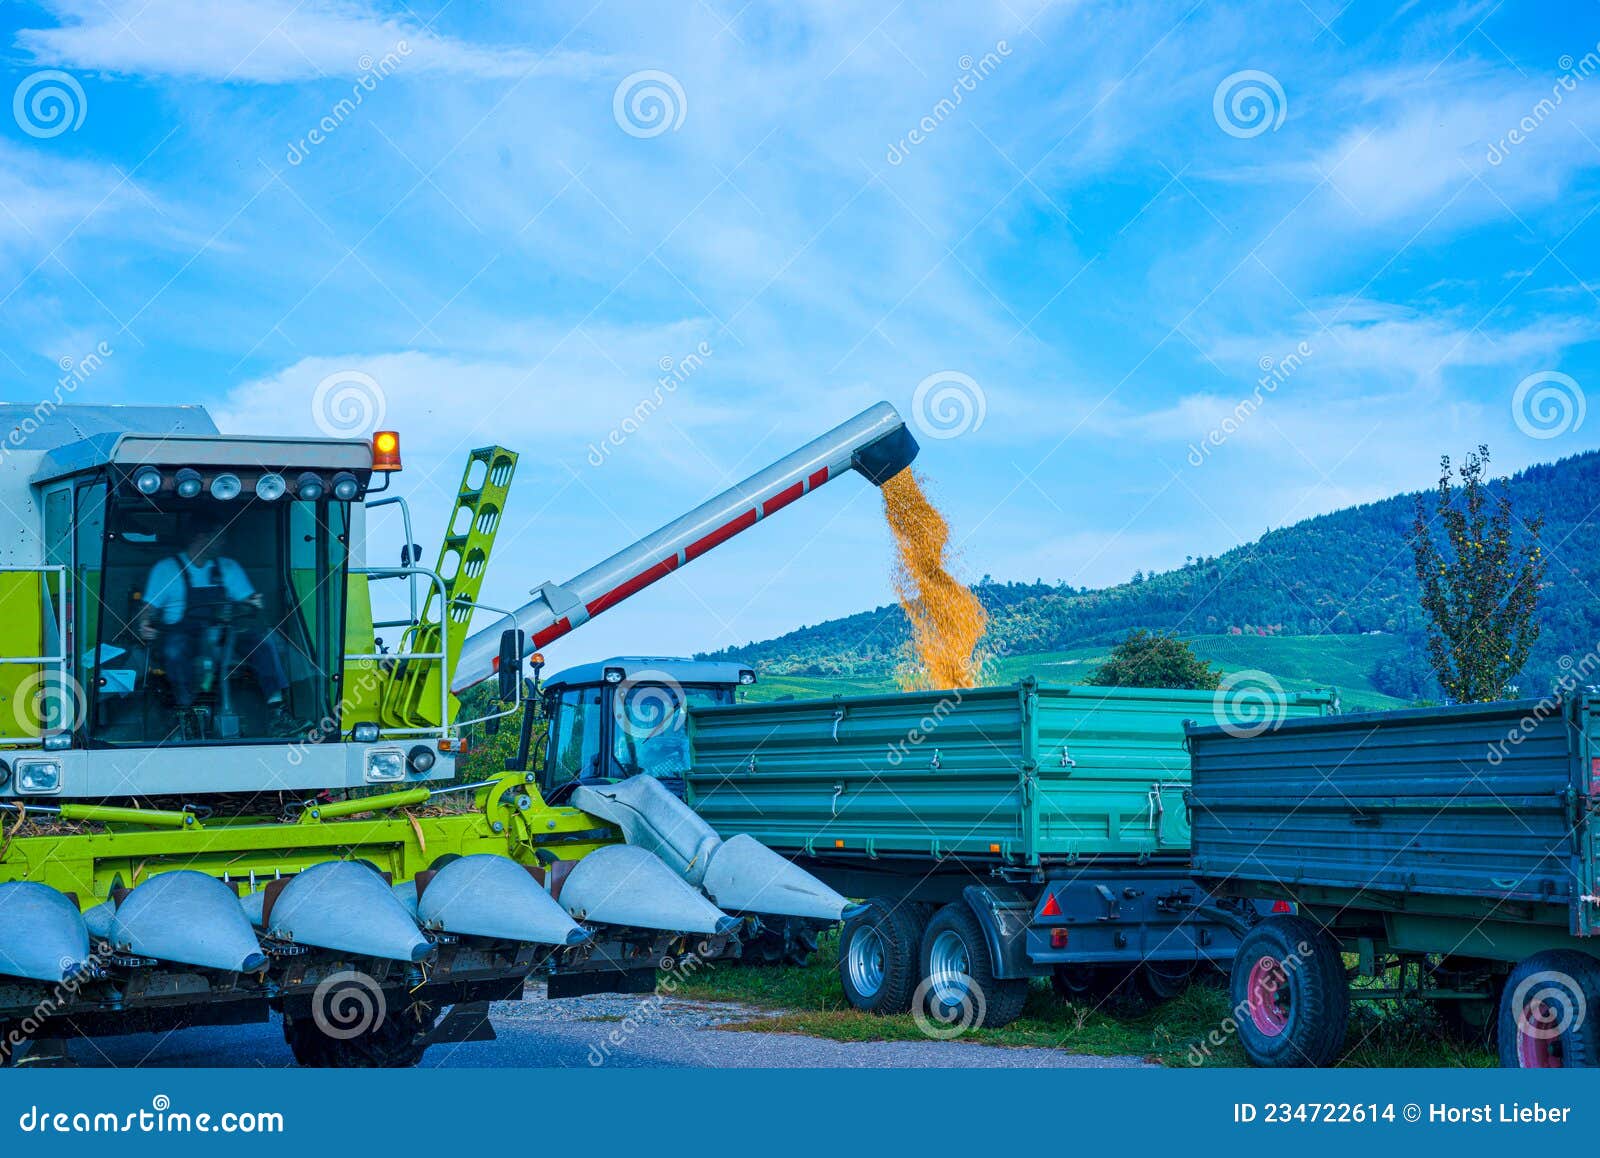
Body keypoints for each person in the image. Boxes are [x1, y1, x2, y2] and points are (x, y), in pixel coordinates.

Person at [137, 517, 295, 738]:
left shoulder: (228, 567)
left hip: (224, 633)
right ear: (201, 538)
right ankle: (185, 713)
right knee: (174, 649)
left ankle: (277, 711)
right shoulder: (167, 569)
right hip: (183, 635)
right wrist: (144, 623)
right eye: (218, 536)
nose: (223, 542)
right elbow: (148, 608)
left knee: (261, 641)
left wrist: (253, 602)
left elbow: (248, 600)